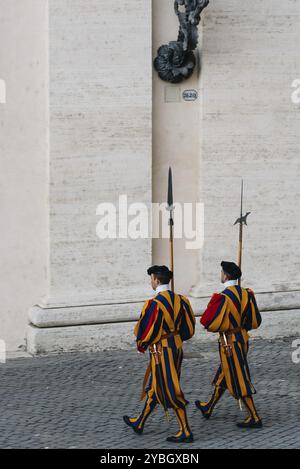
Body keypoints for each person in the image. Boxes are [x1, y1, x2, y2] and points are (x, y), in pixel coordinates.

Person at [123, 265, 196, 443]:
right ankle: (140, 422)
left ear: (156, 280)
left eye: (152, 279)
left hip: (161, 350)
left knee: (171, 387)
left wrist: (142, 343)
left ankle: (185, 431)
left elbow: (146, 329)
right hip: (176, 346)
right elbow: (188, 328)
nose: (151, 282)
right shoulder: (182, 300)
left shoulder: (153, 304)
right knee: (157, 385)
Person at [195, 261, 263, 428]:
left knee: (239, 376)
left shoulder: (223, 297)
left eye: (221, 272)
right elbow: (255, 320)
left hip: (229, 342)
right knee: (225, 373)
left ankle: (254, 416)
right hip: (243, 338)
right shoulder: (247, 294)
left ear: (225, 275)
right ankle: (209, 407)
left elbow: (208, 322)